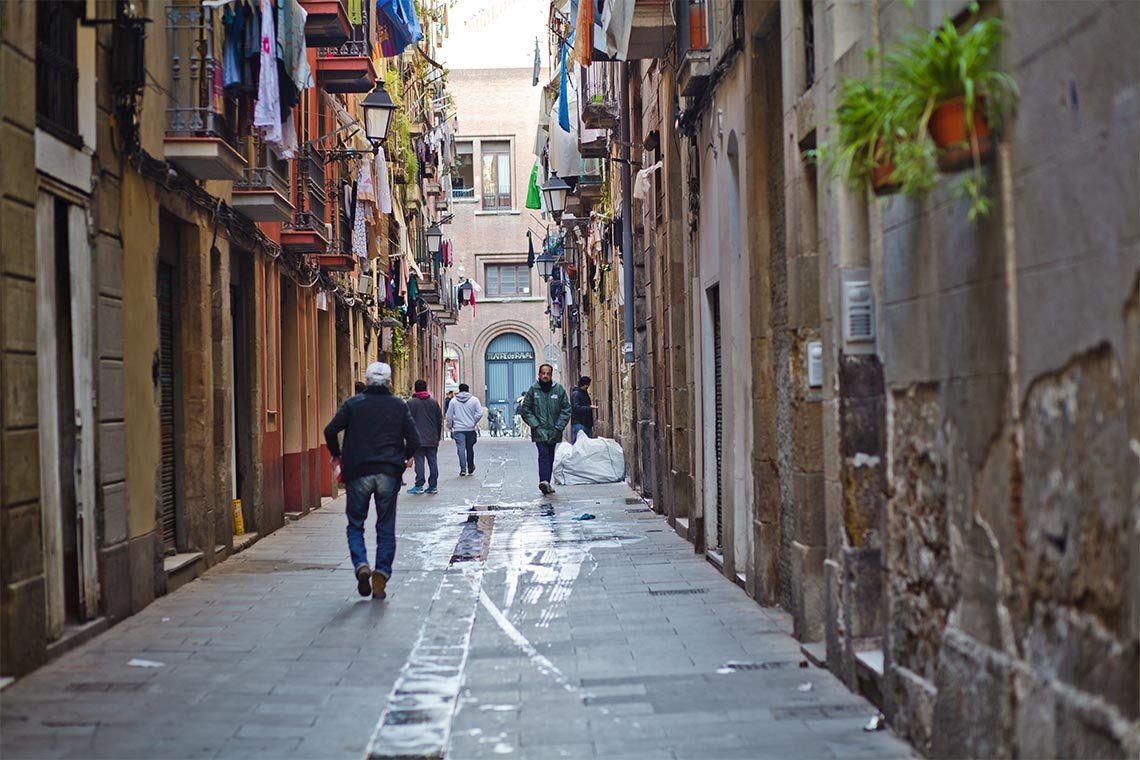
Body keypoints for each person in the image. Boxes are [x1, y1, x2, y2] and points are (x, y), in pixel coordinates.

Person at [324, 362, 420, 600]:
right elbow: (414, 439)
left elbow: (330, 430)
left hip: (358, 472)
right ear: (389, 382)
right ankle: (382, 573)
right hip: (388, 471)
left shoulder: (353, 404)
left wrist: (337, 454)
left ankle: (361, 565)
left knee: (355, 524)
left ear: (367, 381)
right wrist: (404, 457)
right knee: (385, 526)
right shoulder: (398, 405)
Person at [520, 363, 571, 495]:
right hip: (540, 430)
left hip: (554, 430)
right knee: (543, 455)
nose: (545, 376)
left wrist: (558, 427)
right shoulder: (533, 390)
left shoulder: (558, 390)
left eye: (548, 373)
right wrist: (535, 425)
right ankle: (544, 481)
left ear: (551, 375)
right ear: (539, 374)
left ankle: (546, 482)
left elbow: (566, 409)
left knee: (550, 455)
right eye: (543, 373)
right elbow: (525, 410)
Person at [406, 379, 443, 495]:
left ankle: (419, 485)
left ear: (415, 389)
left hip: (417, 438)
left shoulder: (411, 403)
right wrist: (437, 436)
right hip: (432, 437)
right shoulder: (433, 402)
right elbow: (439, 420)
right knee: (433, 461)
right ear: (426, 388)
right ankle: (433, 485)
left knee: (419, 461)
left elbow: (406, 421)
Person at [445, 383, 483, 476]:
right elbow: (480, 413)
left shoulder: (453, 401)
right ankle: (470, 467)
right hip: (470, 429)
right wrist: (473, 421)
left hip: (458, 429)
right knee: (470, 448)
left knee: (460, 449)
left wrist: (450, 425)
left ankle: (463, 469)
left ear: (459, 390)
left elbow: (449, 415)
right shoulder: (474, 400)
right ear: (468, 390)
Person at [570, 376, 597, 442]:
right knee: (578, 443)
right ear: (583, 384)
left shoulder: (584, 392)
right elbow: (576, 408)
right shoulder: (576, 394)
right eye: (587, 385)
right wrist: (589, 407)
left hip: (587, 423)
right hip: (579, 423)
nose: (588, 386)